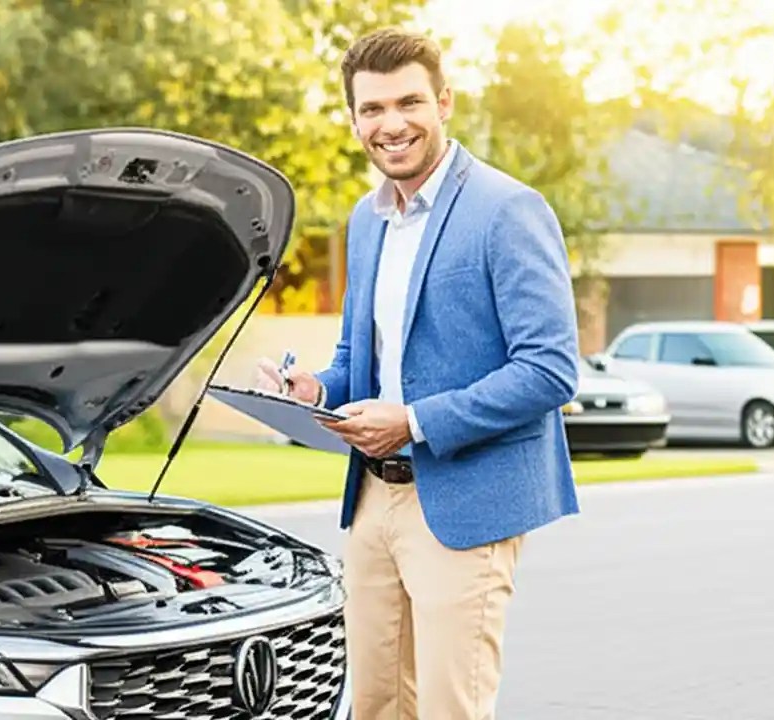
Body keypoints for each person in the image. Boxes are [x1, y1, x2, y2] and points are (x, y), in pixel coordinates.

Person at [256, 27, 580, 720]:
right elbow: (359, 360)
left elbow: (550, 369)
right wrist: (315, 390)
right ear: (354, 121)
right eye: (372, 109)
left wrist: (413, 423)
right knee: (373, 703)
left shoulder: (508, 210)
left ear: (444, 103)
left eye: (409, 103)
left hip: (465, 504)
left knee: (448, 708)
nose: (392, 124)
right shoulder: (366, 220)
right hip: (372, 502)